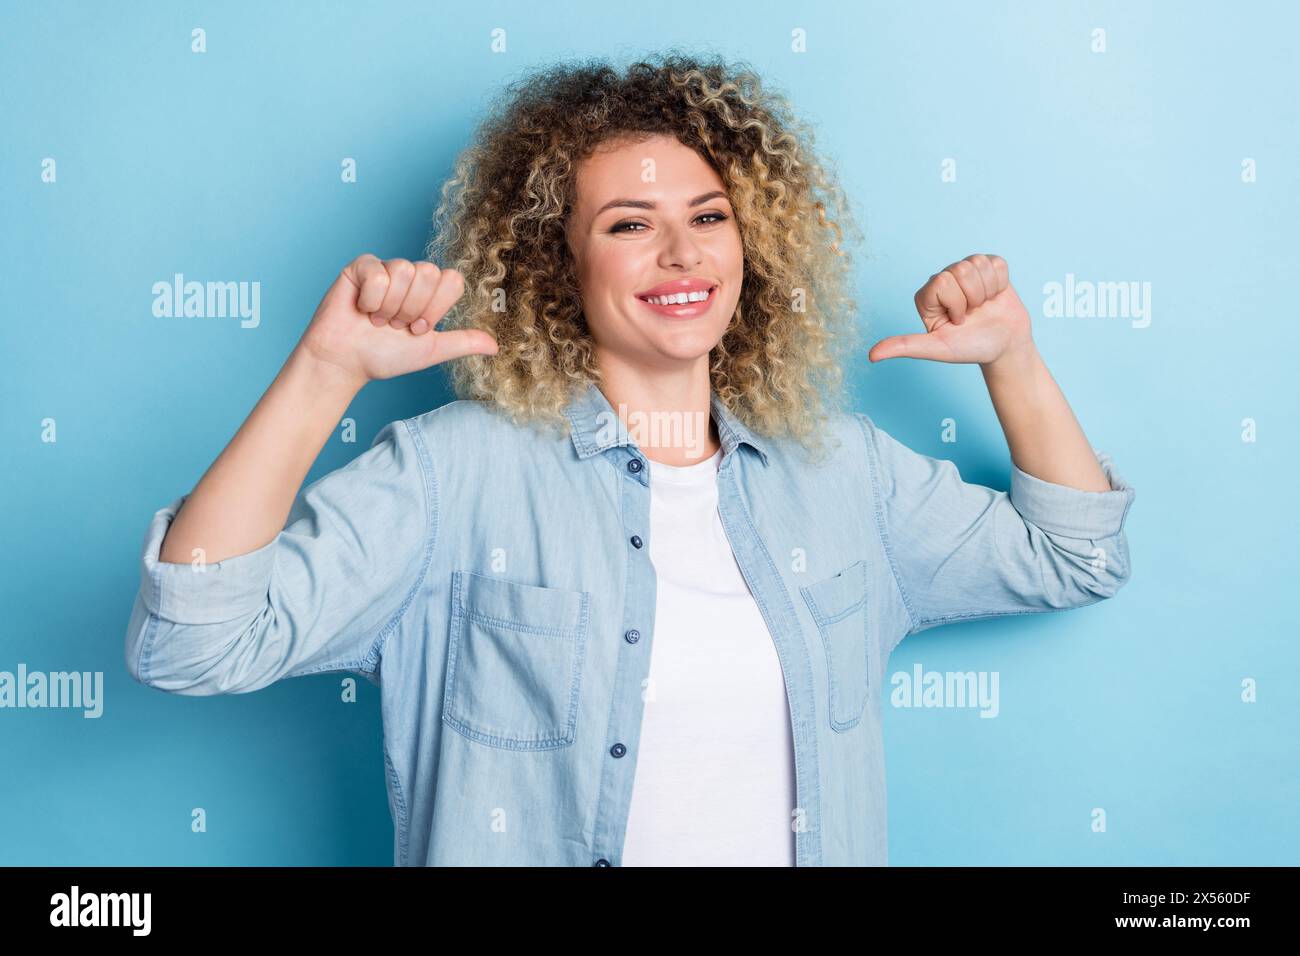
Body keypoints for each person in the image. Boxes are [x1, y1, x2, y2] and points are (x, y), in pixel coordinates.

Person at [123, 52, 1137, 867]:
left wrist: (1012, 359)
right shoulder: (455, 474)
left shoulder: (845, 472)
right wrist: (323, 374)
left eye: (707, 217)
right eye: (628, 225)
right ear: (558, 262)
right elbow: (194, 644)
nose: (682, 254)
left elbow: (1076, 555)